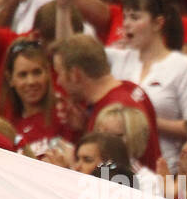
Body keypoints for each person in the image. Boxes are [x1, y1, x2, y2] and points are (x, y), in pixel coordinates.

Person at [107, 0, 187, 169]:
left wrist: (149, 119)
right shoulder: (118, 59)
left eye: (135, 18)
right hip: (119, 168)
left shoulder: (183, 66)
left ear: (158, 23)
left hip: (166, 169)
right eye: (125, 18)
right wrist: (64, 7)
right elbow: (72, 51)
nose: (126, 24)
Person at [50, 33, 164, 170]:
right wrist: (86, 126)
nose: (59, 81)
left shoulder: (115, 114)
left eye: (60, 73)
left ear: (75, 74)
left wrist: (69, 166)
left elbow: (114, 174)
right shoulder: (129, 88)